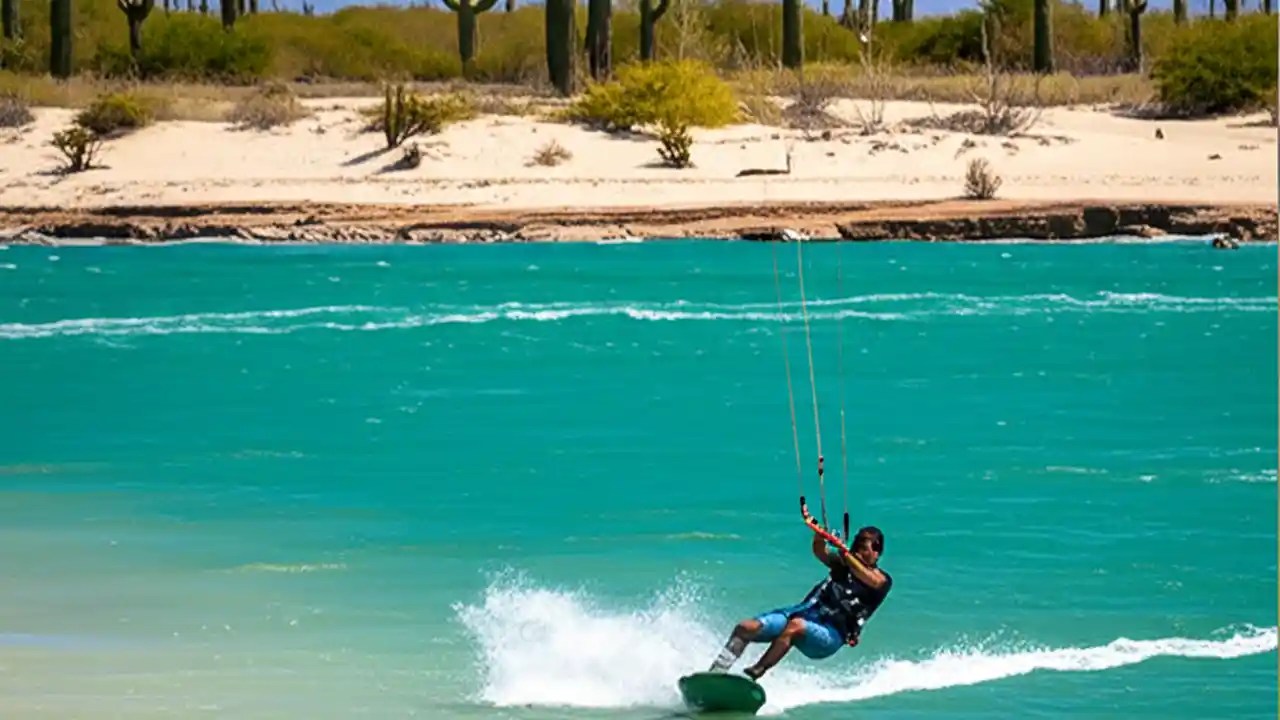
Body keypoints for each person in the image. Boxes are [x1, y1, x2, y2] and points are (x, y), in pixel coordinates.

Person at [707, 520, 891, 680]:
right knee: (745, 628)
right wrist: (820, 536)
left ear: (877, 552)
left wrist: (846, 554)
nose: (858, 553)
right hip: (804, 614)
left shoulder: (882, 580)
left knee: (795, 626)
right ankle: (715, 673)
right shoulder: (843, 564)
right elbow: (820, 552)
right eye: (856, 549)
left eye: (864, 550)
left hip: (831, 635)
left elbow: (869, 578)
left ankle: (755, 673)